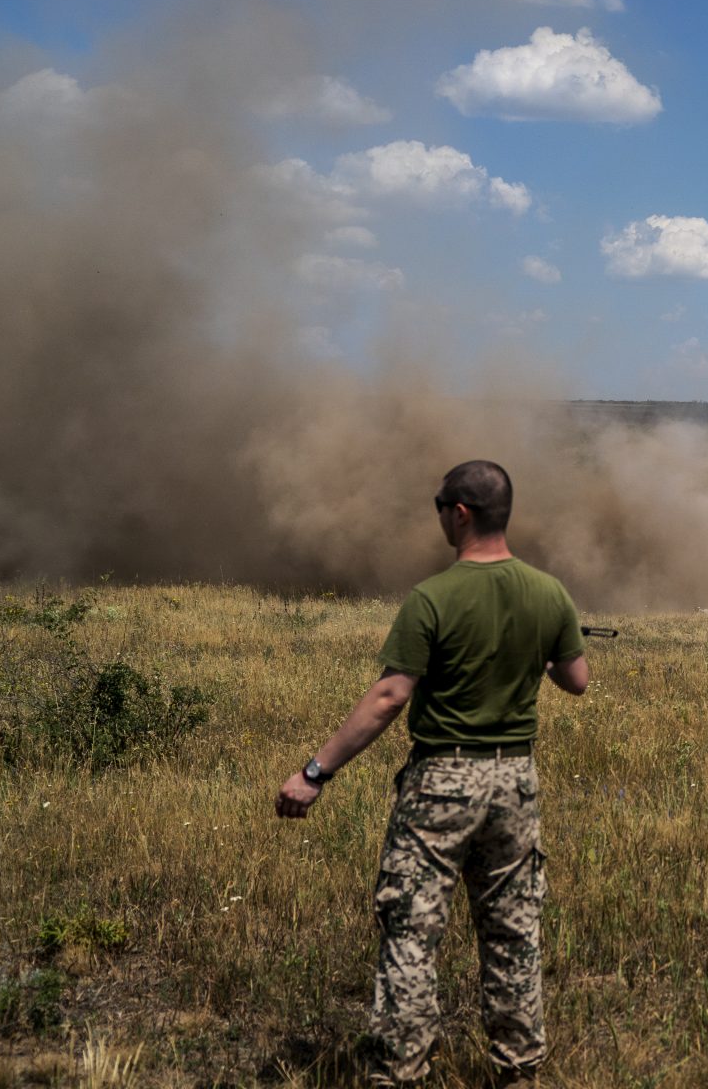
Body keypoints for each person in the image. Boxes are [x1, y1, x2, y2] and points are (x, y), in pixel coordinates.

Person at [275, 460, 589, 1088]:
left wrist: (315, 772)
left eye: (440, 505)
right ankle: (519, 1074)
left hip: (442, 782)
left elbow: (390, 696)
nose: (440, 515)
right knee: (512, 935)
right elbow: (576, 681)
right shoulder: (549, 592)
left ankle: (400, 1073)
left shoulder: (432, 598)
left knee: (413, 935)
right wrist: (543, 653)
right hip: (515, 784)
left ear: (461, 513)